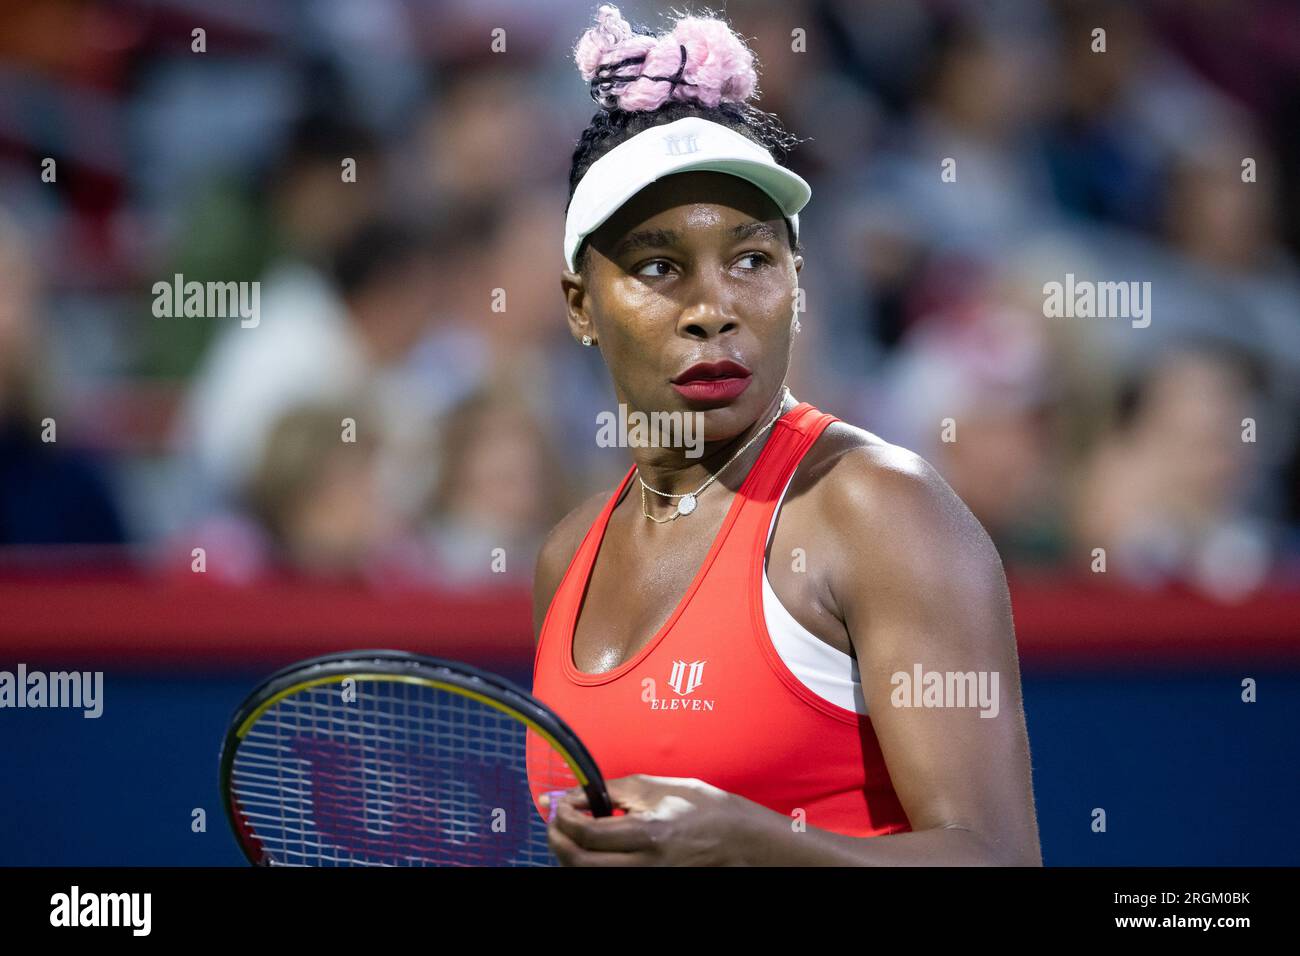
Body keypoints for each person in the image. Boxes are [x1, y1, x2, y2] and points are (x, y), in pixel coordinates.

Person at [527, 5, 1040, 866]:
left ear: (799, 282)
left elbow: (1000, 860)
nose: (714, 310)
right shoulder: (564, 556)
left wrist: (755, 848)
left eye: (754, 260)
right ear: (581, 305)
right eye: (659, 267)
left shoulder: (880, 508)